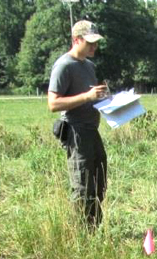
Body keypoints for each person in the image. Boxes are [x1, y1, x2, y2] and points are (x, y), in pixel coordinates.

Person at [47, 20, 110, 228]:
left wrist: (106, 99)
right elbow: (53, 103)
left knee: (99, 182)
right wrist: (87, 96)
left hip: (92, 131)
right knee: (82, 187)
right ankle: (81, 235)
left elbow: (92, 97)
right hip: (76, 132)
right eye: (90, 42)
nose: (94, 47)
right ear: (76, 40)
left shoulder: (89, 66)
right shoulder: (64, 65)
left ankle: (94, 229)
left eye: (96, 42)